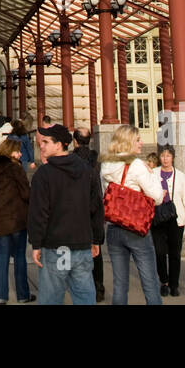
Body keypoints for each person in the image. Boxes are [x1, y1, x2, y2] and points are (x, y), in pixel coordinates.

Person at [27, 123, 104, 305]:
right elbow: (96, 208)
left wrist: (36, 243)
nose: (41, 145)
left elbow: (38, 212)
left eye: (46, 141)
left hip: (57, 247)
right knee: (85, 297)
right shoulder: (87, 171)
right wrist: (96, 239)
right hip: (81, 244)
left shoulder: (44, 174)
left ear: (59, 144)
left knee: (52, 298)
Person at [97, 125, 164, 305]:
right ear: (127, 142)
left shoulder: (106, 165)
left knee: (120, 284)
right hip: (136, 227)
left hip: (113, 227)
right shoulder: (136, 165)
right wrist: (152, 175)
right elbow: (157, 197)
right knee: (149, 282)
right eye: (137, 140)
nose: (141, 143)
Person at [0, 138, 36, 304]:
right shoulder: (15, 168)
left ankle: (0, 295)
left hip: (0, 218)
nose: (20, 154)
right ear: (10, 151)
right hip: (17, 218)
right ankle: (22, 294)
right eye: (18, 151)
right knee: (20, 256)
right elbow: (26, 193)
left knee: (2, 257)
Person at [151, 144, 185, 297]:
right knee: (159, 252)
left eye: (168, 156)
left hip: (176, 220)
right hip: (158, 218)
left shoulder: (181, 176)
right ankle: (163, 281)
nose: (165, 159)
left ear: (173, 158)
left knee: (175, 253)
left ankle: (174, 284)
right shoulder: (153, 174)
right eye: (163, 156)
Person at [71, 127, 105, 302]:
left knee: (78, 257)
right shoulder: (97, 162)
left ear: (75, 141)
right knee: (96, 254)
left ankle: (83, 289)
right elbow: (100, 192)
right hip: (95, 215)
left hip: (77, 215)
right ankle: (98, 287)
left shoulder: (71, 162)